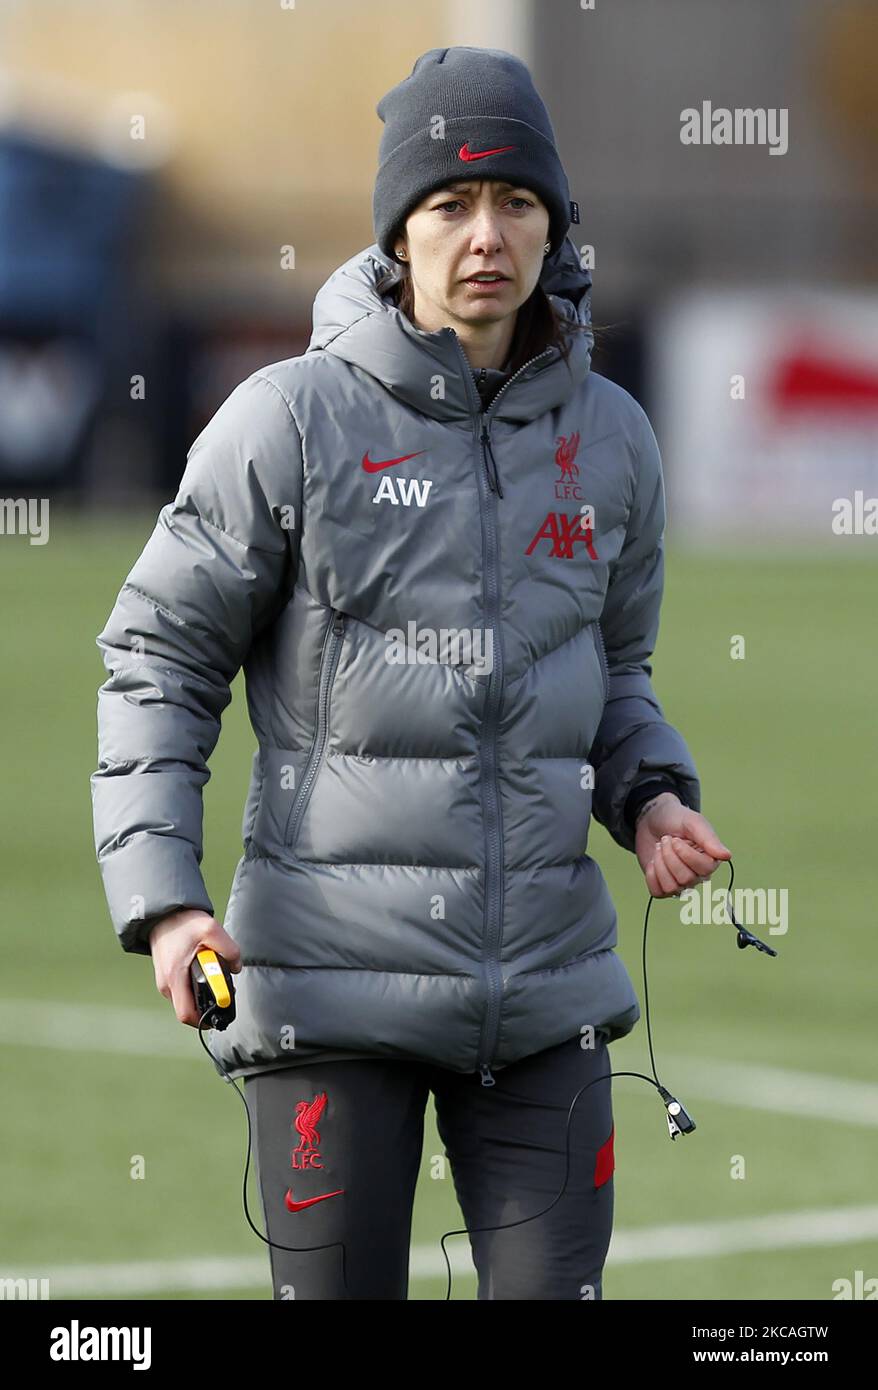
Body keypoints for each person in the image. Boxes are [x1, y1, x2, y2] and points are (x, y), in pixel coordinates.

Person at [90, 46, 731, 1301]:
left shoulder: (612, 439)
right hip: (328, 995)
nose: (483, 234)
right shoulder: (290, 420)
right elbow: (157, 659)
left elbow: (612, 667)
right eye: (447, 204)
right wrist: (166, 901)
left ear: (553, 224)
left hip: (544, 994)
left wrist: (646, 788)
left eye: (515, 203)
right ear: (396, 232)